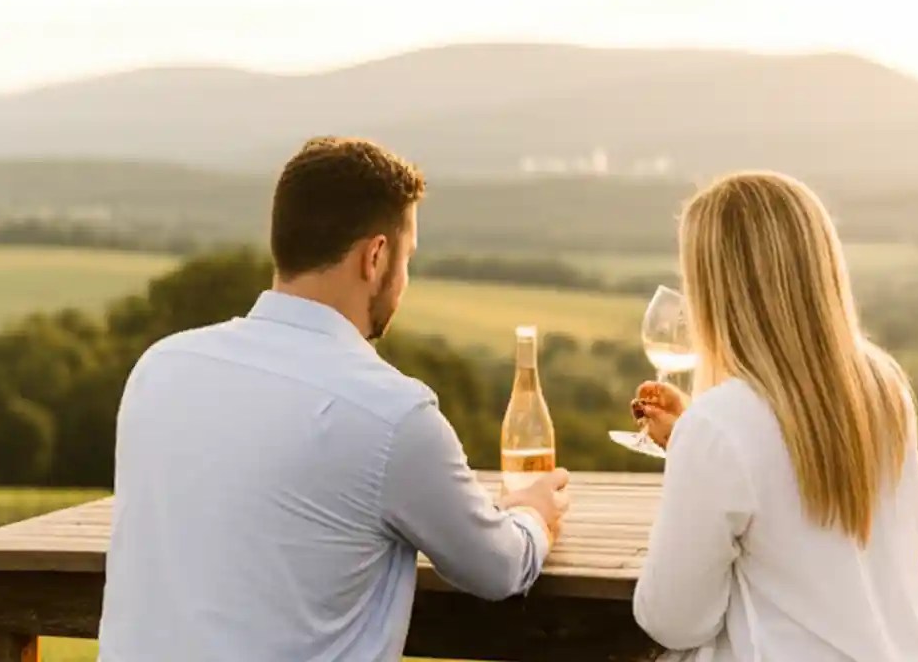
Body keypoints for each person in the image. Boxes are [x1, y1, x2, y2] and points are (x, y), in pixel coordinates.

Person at [97, 137, 569, 662]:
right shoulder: (393, 416)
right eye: (407, 257)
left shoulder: (160, 368)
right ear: (376, 257)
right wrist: (532, 513)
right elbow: (498, 568)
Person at [630, 172, 918, 662]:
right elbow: (908, 541)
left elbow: (673, 618)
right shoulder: (885, 386)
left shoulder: (721, 424)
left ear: (715, 291)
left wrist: (700, 445)